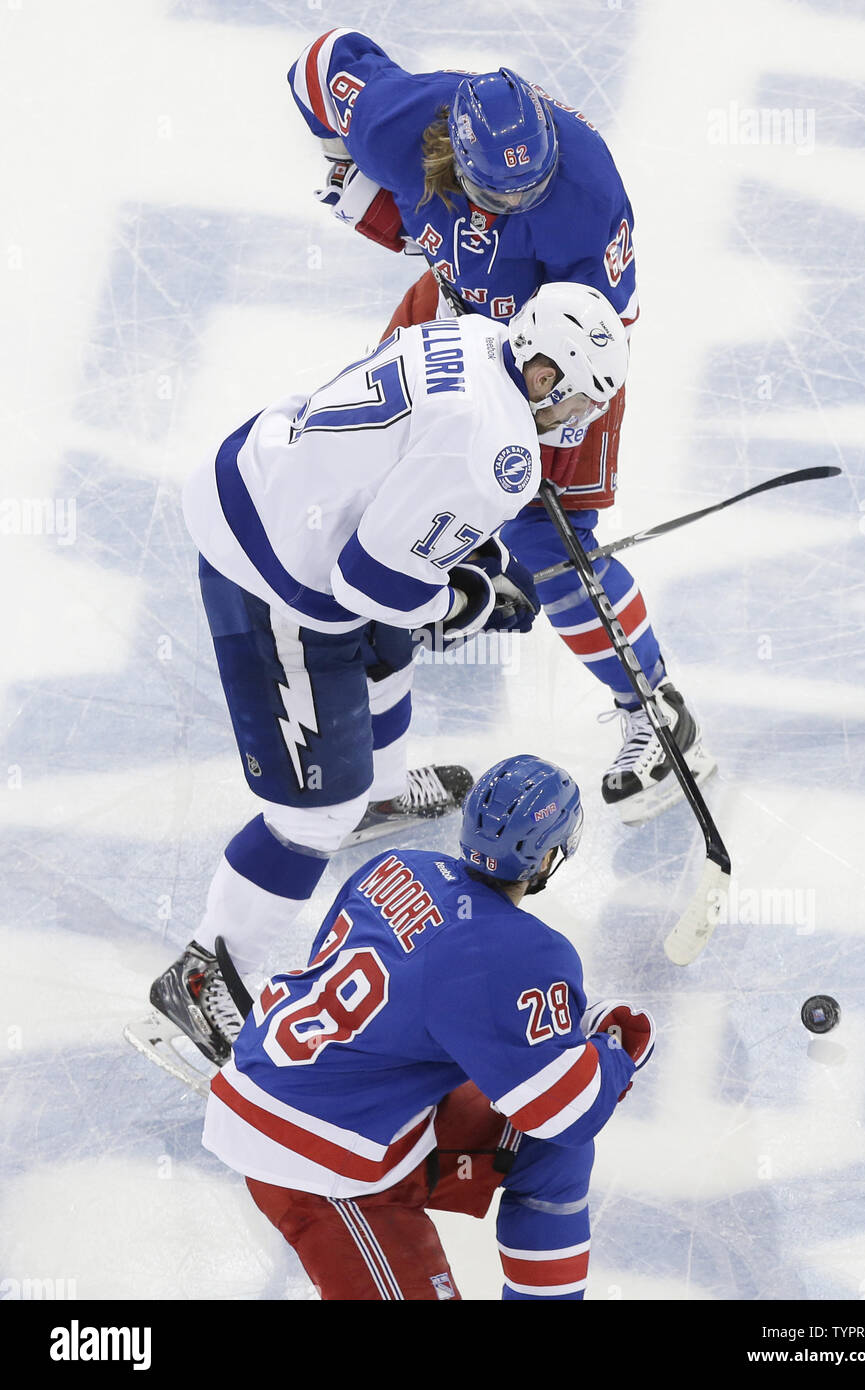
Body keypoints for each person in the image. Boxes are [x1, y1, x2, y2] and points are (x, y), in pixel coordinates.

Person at [146, 281, 629, 1069]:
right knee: (311, 818)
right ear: (543, 375)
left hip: (265, 476)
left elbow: (404, 472)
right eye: (578, 400)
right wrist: (465, 598)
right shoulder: (500, 453)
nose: (580, 421)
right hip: (272, 572)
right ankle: (205, 975)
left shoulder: (474, 333)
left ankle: (375, 793)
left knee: (385, 663)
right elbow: (371, 583)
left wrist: (465, 565)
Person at [287, 29, 716, 820]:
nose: (518, 204)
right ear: (456, 147)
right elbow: (322, 64)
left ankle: (657, 714)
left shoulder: (587, 198)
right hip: (449, 322)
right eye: (499, 195)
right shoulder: (404, 119)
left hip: (562, 361)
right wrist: (348, 169)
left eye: (530, 192)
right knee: (373, 477)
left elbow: (602, 334)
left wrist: (537, 428)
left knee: (554, 548)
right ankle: (460, 584)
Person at [201, 754, 655, 1300]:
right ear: (549, 855)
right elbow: (567, 1110)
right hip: (315, 1162)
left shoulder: (395, 865)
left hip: (287, 1082)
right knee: (554, 1129)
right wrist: (617, 1045)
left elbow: (415, 993)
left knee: (544, 1150)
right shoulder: (519, 950)